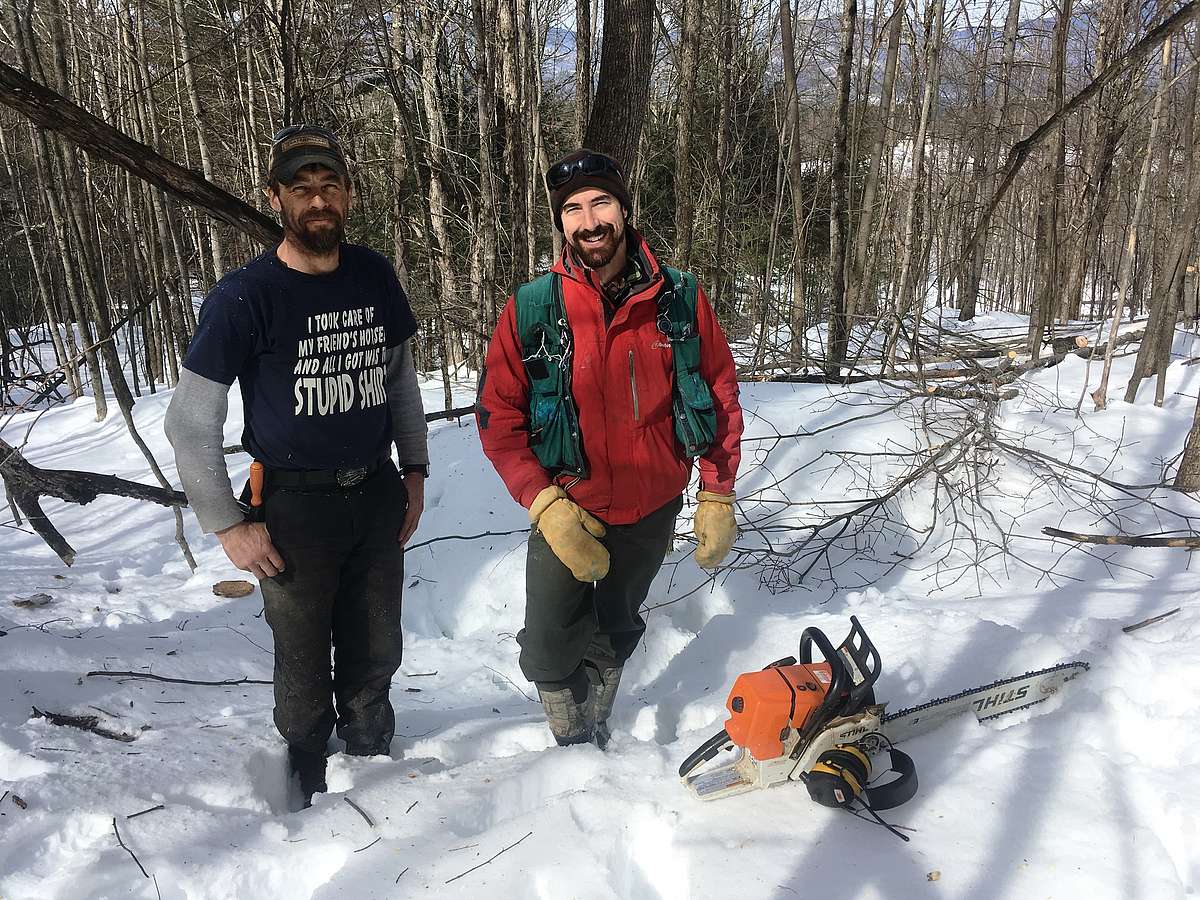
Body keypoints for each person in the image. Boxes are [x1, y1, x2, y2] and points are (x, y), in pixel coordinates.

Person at [164, 124, 429, 806]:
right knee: (304, 662)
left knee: (376, 649)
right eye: (302, 189)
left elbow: (398, 380)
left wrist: (415, 472)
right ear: (276, 198)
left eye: (330, 187)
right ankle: (307, 777)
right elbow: (190, 423)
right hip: (291, 508)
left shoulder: (373, 273)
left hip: (372, 493)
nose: (319, 202)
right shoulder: (245, 296)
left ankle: (371, 763)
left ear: (348, 195)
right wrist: (227, 525)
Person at [476, 149, 743, 748]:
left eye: (600, 202)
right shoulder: (533, 308)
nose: (589, 220)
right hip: (569, 504)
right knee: (546, 645)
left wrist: (717, 492)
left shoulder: (679, 298)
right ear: (560, 223)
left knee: (617, 625)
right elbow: (499, 418)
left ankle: (591, 730)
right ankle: (567, 729)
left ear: (624, 208)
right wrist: (543, 502)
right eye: (573, 209)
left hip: (652, 505)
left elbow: (719, 395)